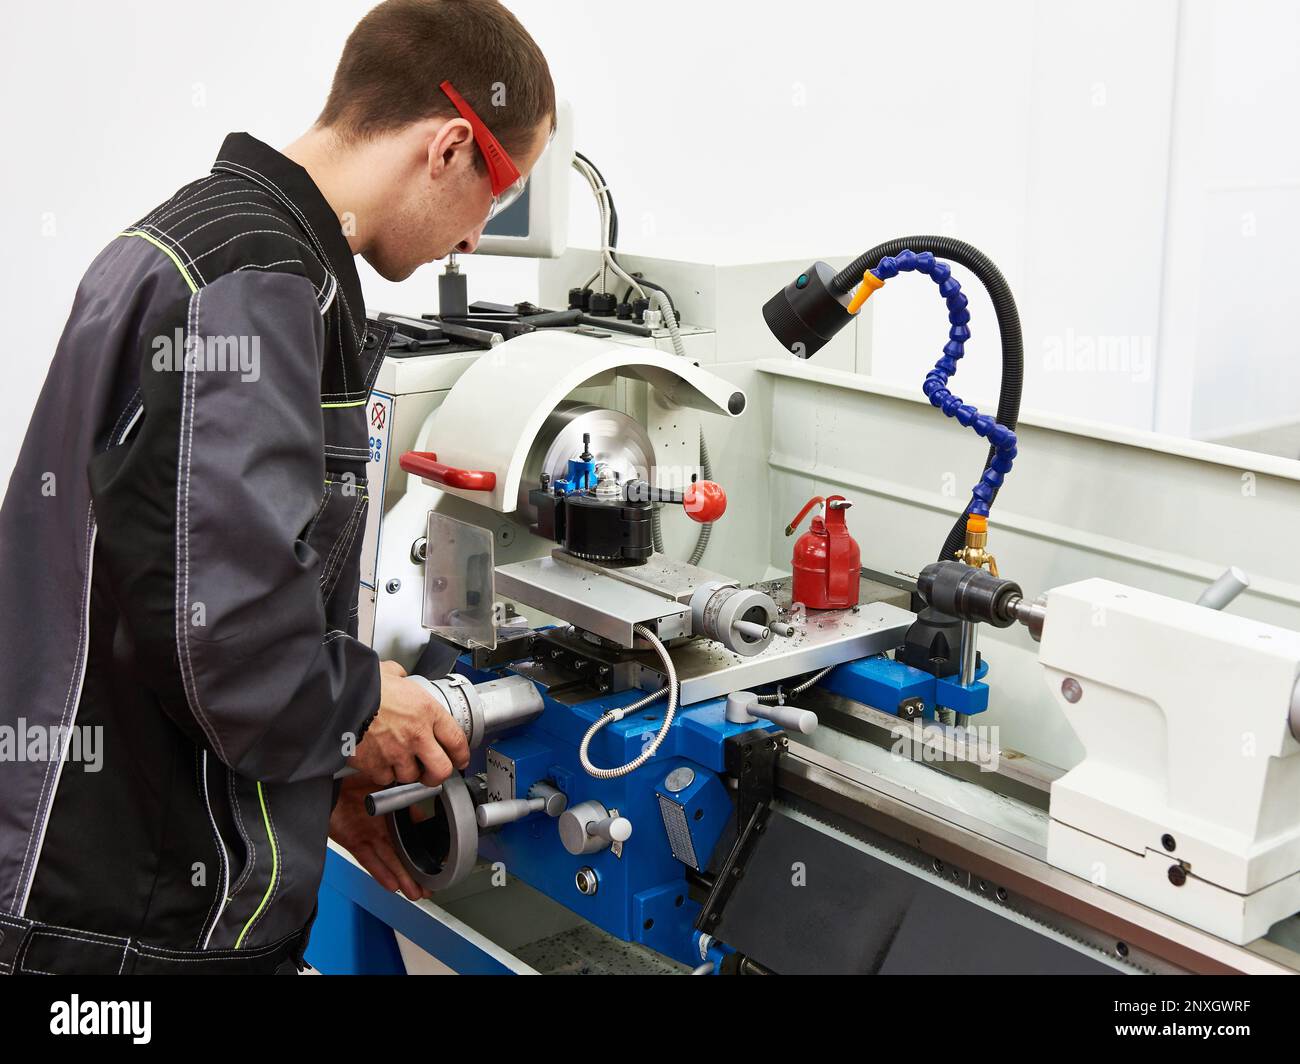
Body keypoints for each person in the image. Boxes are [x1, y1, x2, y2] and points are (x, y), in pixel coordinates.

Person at [0, 0, 555, 974]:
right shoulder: (258, 282)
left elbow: (164, 595)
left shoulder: (195, 240)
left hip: (91, 871)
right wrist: (360, 707)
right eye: (498, 194)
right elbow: (231, 636)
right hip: (132, 918)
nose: (474, 241)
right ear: (452, 147)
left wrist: (314, 775)